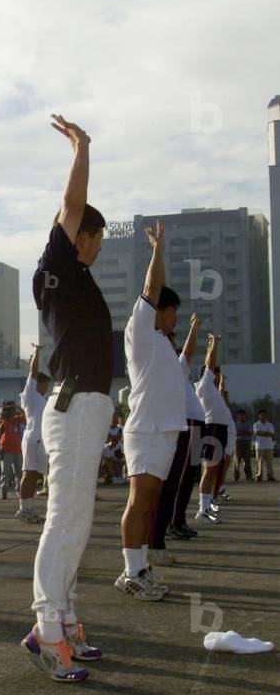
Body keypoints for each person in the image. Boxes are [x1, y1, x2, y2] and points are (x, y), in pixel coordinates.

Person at [22, 113, 112, 684]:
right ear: (79, 237)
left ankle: (66, 617)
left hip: (85, 405)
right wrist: (82, 148)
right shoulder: (57, 265)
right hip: (74, 404)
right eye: (96, 239)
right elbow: (72, 204)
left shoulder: (76, 277)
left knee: (77, 518)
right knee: (65, 518)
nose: (99, 248)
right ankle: (46, 629)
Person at [115, 220, 185, 601]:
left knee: (151, 502)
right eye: (171, 311)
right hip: (145, 430)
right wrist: (158, 249)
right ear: (157, 310)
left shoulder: (163, 343)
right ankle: (130, 573)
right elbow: (151, 288)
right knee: (139, 501)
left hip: (165, 432)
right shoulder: (139, 330)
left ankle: (141, 567)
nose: (174, 318)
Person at [166, 314, 204, 541]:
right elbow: (188, 352)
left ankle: (179, 520)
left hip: (197, 427)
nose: (175, 349)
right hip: (188, 425)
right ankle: (173, 522)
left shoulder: (176, 369)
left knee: (191, 475)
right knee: (182, 476)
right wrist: (194, 328)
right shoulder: (171, 366)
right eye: (172, 345)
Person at [194, 335, 229, 522]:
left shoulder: (213, 390)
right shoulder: (205, 385)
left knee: (213, 470)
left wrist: (210, 345)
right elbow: (210, 363)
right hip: (212, 429)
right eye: (216, 372)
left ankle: (206, 506)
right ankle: (203, 509)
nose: (217, 375)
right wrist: (214, 343)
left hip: (219, 429)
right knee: (209, 470)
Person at [17, 343, 50, 523]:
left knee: (35, 474)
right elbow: (33, 372)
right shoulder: (30, 394)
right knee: (28, 473)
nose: (46, 388)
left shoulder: (43, 399)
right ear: (38, 384)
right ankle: (23, 509)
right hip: (32, 439)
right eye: (45, 385)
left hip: (41, 441)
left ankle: (28, 507)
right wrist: (37, 352)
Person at [0, 401, 26, 500]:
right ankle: (3, 491)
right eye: (11, 411)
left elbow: (25, 415)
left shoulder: (17, 419)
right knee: (5, 472)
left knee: (19, 472)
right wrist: (4, 418)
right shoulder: (3, 420)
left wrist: (18, 407)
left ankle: (20, 490)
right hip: (6, 449)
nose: (13, 413)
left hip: (17, 449)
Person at [253, 410, 276, 481]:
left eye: (265, 415)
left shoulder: (270, 424)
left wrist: (262, 433)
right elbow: (257, 433)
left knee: (269, 462)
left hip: (269, 446)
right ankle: (259, 476)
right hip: (260, 446)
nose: (263, 416)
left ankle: (270, 476)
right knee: (259, 462)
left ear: (267, 416)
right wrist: (267, 433)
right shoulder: (256, 424)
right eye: (262, 415)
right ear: (259, 416)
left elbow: (272, 434)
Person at [233, 409, 253, 482]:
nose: (241, 416)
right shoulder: (235, 424)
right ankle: (235, 476)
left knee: (247, 460)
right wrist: (244, 432)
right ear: (237, 416)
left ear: (245, 416)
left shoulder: (249, 424)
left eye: (243, 415)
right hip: (238, 442)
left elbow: (250, 433)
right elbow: (235, 433)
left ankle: (249, 476)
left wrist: (242, 432)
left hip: (246, 443)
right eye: (240, 415)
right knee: (236, 460)